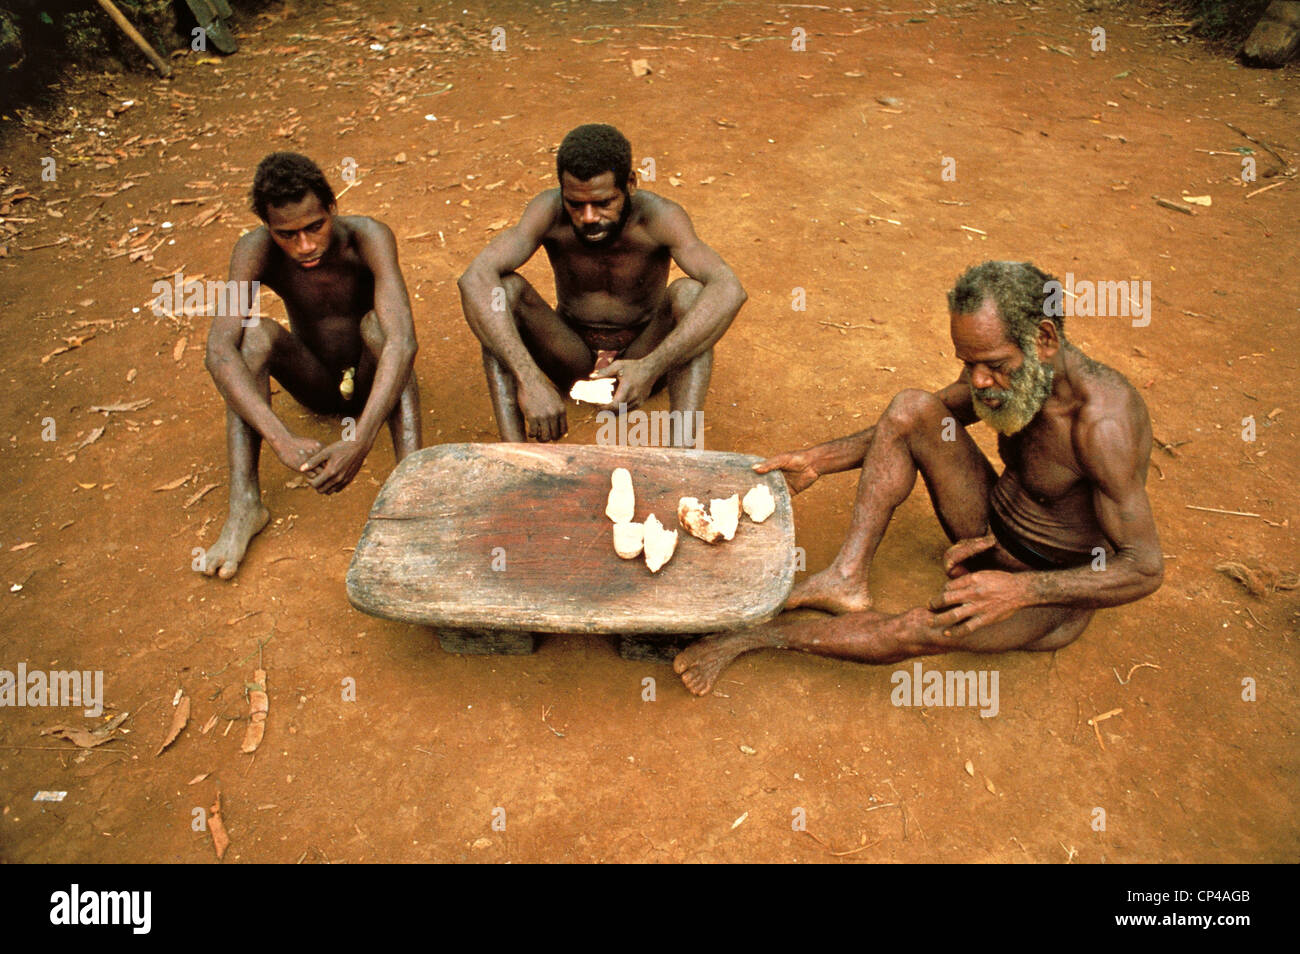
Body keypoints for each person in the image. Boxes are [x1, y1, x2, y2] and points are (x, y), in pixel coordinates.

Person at [674, 260, 1164, 695]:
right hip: (990, 531)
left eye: (992, 365)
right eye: (967, 363)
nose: (976, 381)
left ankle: (753, 638)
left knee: (917, 628)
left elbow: (1144, 567)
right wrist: (820, 459)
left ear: (1044, 340)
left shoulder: (1103, 426)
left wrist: (1021, 591)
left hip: (1046, 587)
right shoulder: (1012, 374)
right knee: (912, 405)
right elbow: (909, 421)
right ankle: (847, 577)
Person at [200, 152, 421, 579]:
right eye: (287, 234)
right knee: (256, 335)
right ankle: (245, 505)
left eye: (314, 227)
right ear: (268, 227)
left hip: (373, 375)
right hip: (317, 381)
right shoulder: (254, 250)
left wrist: (359, 441)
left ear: (331, 208)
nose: (305, 246)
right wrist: (280, 439)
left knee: (381, 326)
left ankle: (412, 490)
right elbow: (219, 351)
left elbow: (402, 341)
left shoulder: (369, 236)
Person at [458, 123, 746, 446]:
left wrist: (651, 366)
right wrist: (529, 377)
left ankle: (682, 452)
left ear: (631, 184)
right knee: (500, 296)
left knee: (691, 295)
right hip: (571, 355)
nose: (589, 216)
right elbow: (474, 277)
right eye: (575, 204)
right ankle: (513, 453)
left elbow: (728, 288)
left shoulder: (661, 218)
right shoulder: (547, 211)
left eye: (604, 202)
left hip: (643, 352)